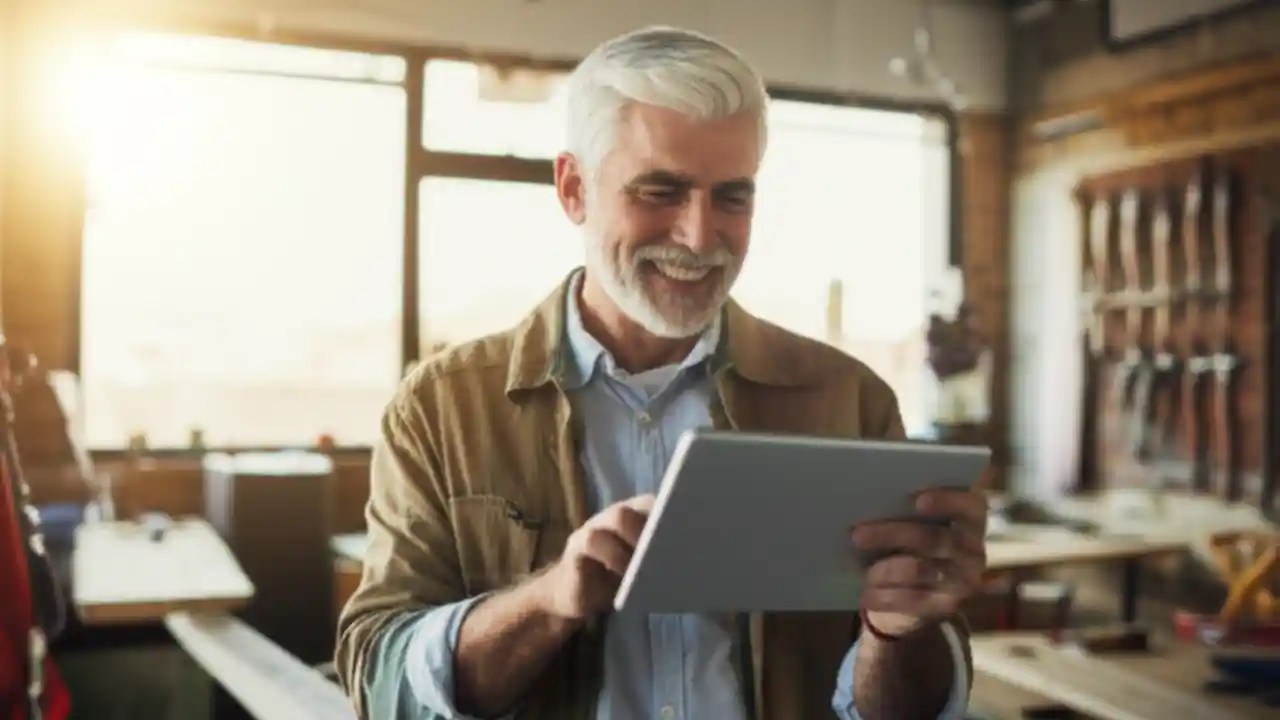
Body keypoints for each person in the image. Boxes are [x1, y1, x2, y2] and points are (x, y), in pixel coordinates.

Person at [336, 25, 987, 720]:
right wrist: (550, 600)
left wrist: (898, 629)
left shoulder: (848, 402)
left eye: (731, 197)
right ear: (573, 189)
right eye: (660, 191)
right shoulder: (440, 410)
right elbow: (382, 681)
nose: (700, 237)